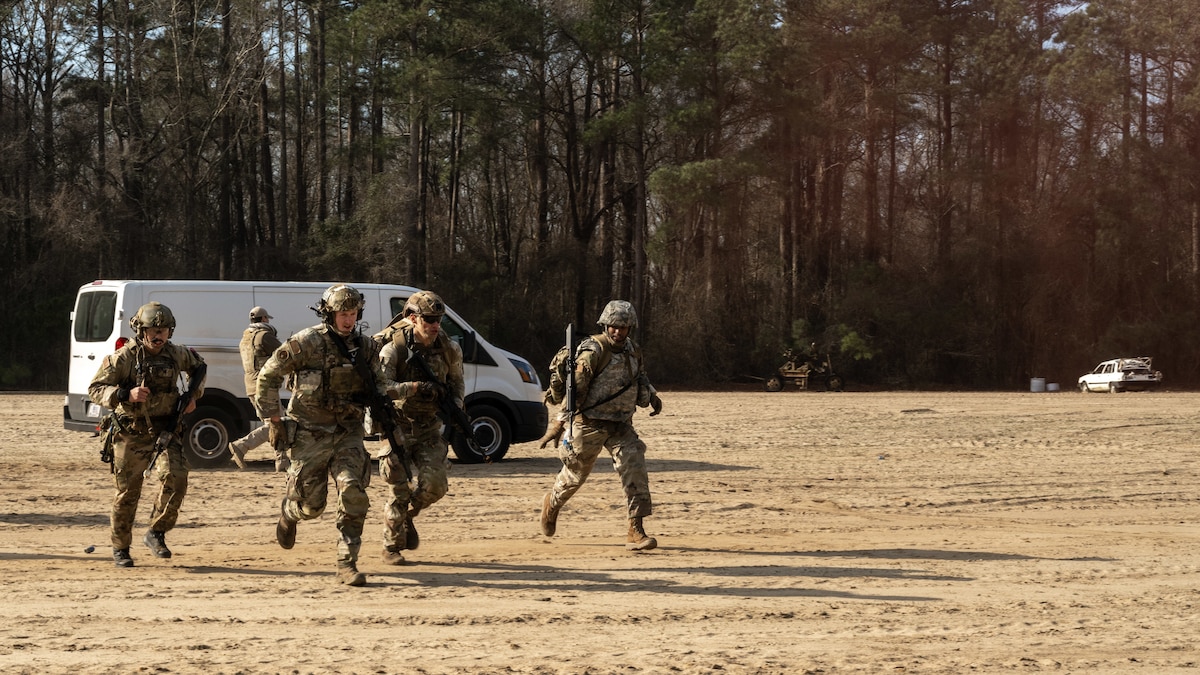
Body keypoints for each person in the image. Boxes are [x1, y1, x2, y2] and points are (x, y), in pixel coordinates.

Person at [255, 284, 389, 586]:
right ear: (329, 314)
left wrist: (387, 407)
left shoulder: (366, 349)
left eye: (353, 314)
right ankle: (289, 513)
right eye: (343, 314)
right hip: (310, 433)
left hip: (348, 432)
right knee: (311, 506)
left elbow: (381, 385)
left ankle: (346, 563)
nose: (349, 320)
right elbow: (268, 375)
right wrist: (273, 419)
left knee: (353, 491)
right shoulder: (306, 342)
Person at [88, 302, 207, 568]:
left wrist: (193, 396)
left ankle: (156, 531)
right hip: (131, 432)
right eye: (153, 330)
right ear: (141, 331)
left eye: (163, 330)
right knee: (127, 493)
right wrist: (124, 394)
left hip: (167, 430)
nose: (158, 335)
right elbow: (95, 388)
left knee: (177, 478)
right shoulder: (125, 357)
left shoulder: (176, 354)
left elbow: (199, 368)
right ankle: (121, 548)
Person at [539, 300, 663, 551]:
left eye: (623, 327)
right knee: (574, 476)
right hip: (589, 423)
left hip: (620, 424)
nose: (618, 331)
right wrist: (558, 424)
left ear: (630, 328)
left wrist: (651, 395)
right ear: (605, 325)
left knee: (634, 466)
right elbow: (576, 390)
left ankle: (636, 529)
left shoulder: (633, 350)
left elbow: (639, 376)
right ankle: (552, 503)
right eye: (613, 326)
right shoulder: (593, 351)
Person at [373, 290, 466, 565]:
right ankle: (391, 546)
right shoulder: (395, 349)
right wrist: (413, 387)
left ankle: (407, 517)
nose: (435, 325)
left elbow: (457, 383)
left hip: (429, 427)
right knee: (399, 488)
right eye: (429, 319)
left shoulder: (449, 349)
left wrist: (456, 408)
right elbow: (381, 389)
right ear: (413, 319)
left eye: (439, 319)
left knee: (436, 486)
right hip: (397, 426)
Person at [228, 306, 286, 471]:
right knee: (276, 424)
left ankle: (282, 460)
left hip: (251, 386)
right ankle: (242, 446)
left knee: (275, 423)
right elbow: (285, 353)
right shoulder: (264, 336)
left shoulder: (245, 338)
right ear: (264, 319)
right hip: (265, 386)